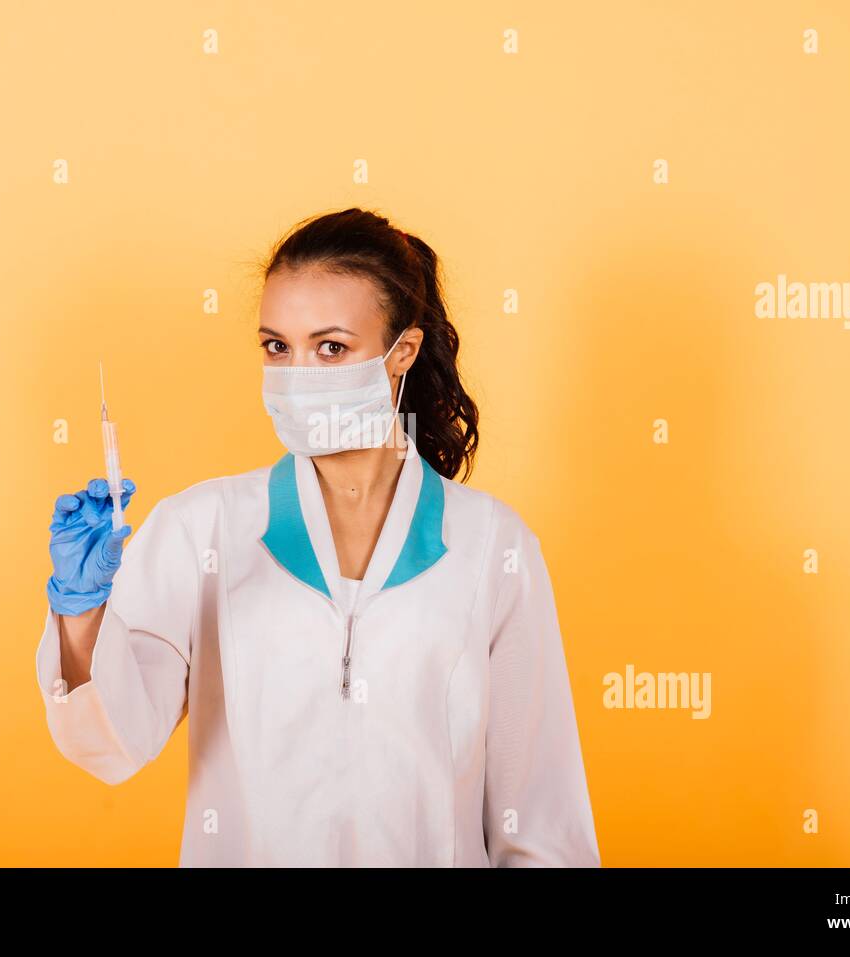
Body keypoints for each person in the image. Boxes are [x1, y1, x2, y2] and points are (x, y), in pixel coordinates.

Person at [37, 207, 601, 867]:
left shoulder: (492, 548)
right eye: (277, 346)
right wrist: (81, 611)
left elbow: (539, 820)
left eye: (330, 346)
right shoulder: (202, 530)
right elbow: (112, 742)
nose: (295, 373)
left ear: (404, 352)